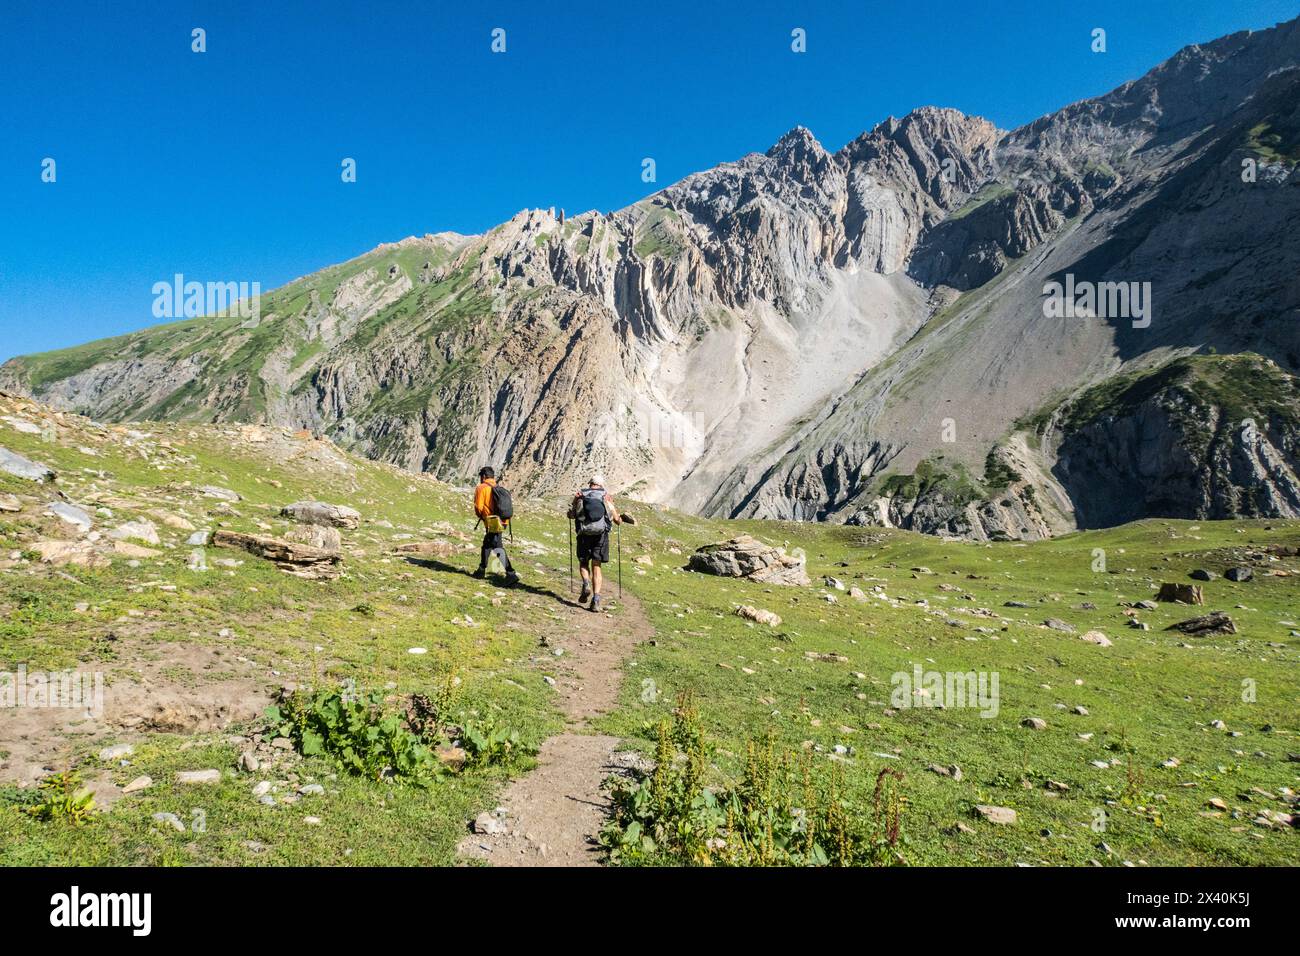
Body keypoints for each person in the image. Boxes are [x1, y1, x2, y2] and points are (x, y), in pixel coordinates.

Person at [568, 474, 622, 612]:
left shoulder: (581, 495)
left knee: (584, 562)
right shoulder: (605, 496)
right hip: (600, 535)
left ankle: (586, 583)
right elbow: (616, 520)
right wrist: (620, 519)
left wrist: (573, 508)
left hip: (584, 534)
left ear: (590, 483)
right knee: (596, 566)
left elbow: (573, 514)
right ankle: (596, 600)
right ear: (601, 485)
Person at [473, 466, 518, 586]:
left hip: (492, 522)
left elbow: (479, 507)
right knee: (487, 545)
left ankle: (511, 573)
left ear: (483, 477)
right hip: (503, 521)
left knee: (497, 547)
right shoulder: (498, 487)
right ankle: (481, 570)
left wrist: (482, 517)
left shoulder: (481, 488)